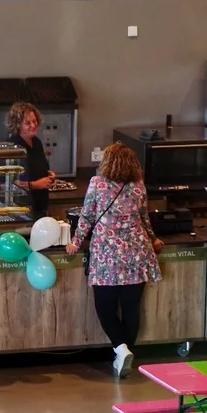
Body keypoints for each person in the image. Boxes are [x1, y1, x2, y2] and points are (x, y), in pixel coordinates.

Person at [66, 142, 162, 378]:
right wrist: (154, 239)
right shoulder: (138, 186)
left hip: (107, 257)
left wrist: (75, 243)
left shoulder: (97, 184)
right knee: (131, 308)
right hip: (136, 254)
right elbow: (144, 218)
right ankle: (124, 354)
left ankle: (120, 348)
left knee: (105, 307)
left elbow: (86, 217)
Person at [5, 101, 54, 217]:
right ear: (17, 125)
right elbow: (7, 184)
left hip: (40, 206)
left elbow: (41, 167)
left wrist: (49, 174)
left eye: (34, 121)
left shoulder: (36, 142)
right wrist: (35, 185)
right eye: (28, 123)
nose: (33, 125)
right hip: (22, 210)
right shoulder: (12, 147)